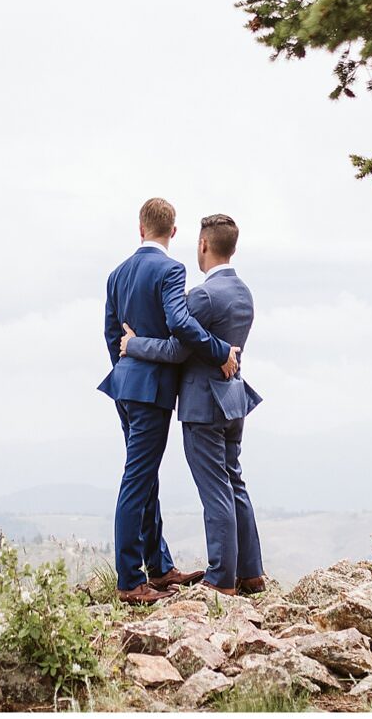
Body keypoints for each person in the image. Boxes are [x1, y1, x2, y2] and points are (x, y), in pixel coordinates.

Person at [98, 198, 240, 604]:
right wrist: (219, 351)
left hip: (123, 386)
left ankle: (158, 568)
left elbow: (112, 334)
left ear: (140, 228)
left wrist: (126, 369)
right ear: (173, 232)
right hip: (152, 390)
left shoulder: (116, 274)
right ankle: (129, 580)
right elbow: (180, 325)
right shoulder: (170, 269)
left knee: (145, 476)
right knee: (137, 479)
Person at [119, 212, 265, 596]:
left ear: (203, 245)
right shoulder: (243, 292)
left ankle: (221, 578)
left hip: (204, 405)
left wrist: (132, 345)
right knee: (235, 483)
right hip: (234, 400)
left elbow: (175, 349)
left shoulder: (203, 296)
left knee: (215, 489)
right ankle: (251, 572)